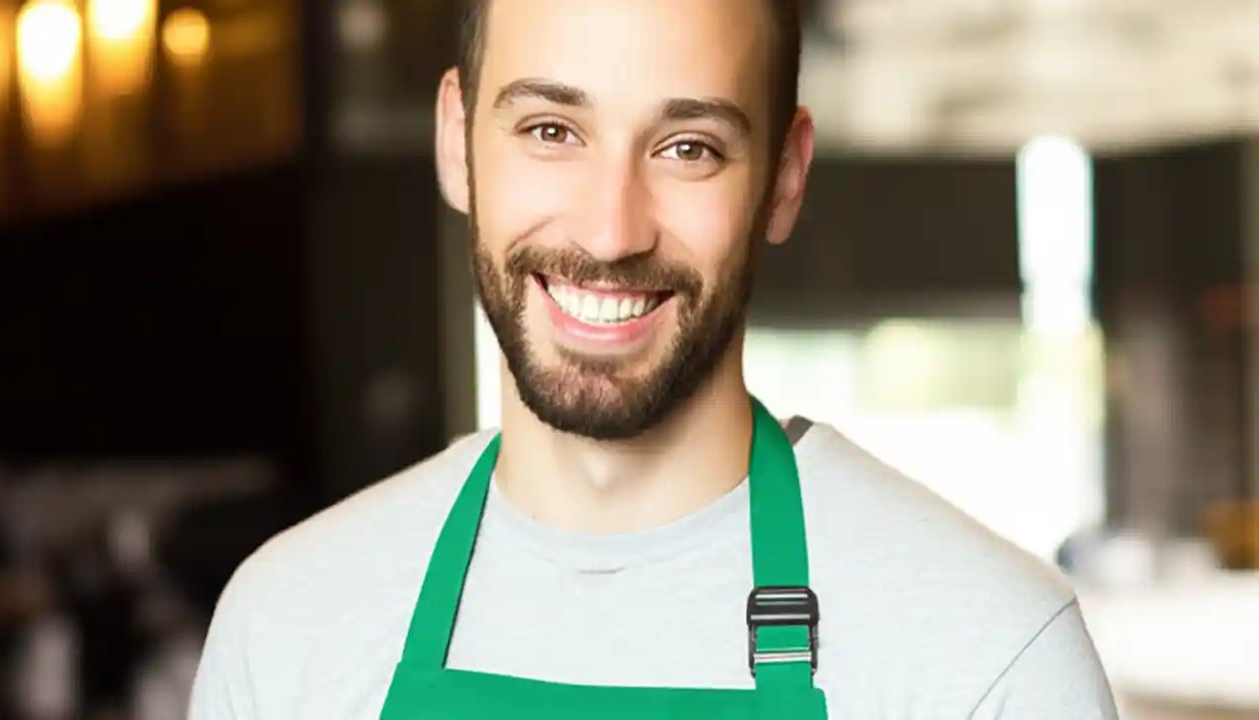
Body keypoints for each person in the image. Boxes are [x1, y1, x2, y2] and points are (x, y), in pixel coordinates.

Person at [188, 0, 1121, 717]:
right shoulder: (286, 624)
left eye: (688, 148)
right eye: (551, 131)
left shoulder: (989, 653)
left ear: (785, 180)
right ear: (456, 141)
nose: (610, 230)